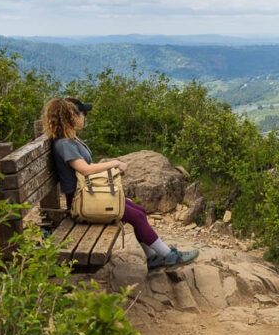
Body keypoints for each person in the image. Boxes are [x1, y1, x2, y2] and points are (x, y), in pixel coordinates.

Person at [42, 97, 198, 269]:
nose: (84, 118)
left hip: (89, 196)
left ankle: (153, 257)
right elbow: (85, 169)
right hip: (82, 202)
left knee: (138, 210)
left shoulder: (70, 140)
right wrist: (115, 163)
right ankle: (168, 256)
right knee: (137, 216)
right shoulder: (65, 144)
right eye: (83, 114)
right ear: (71, 117)